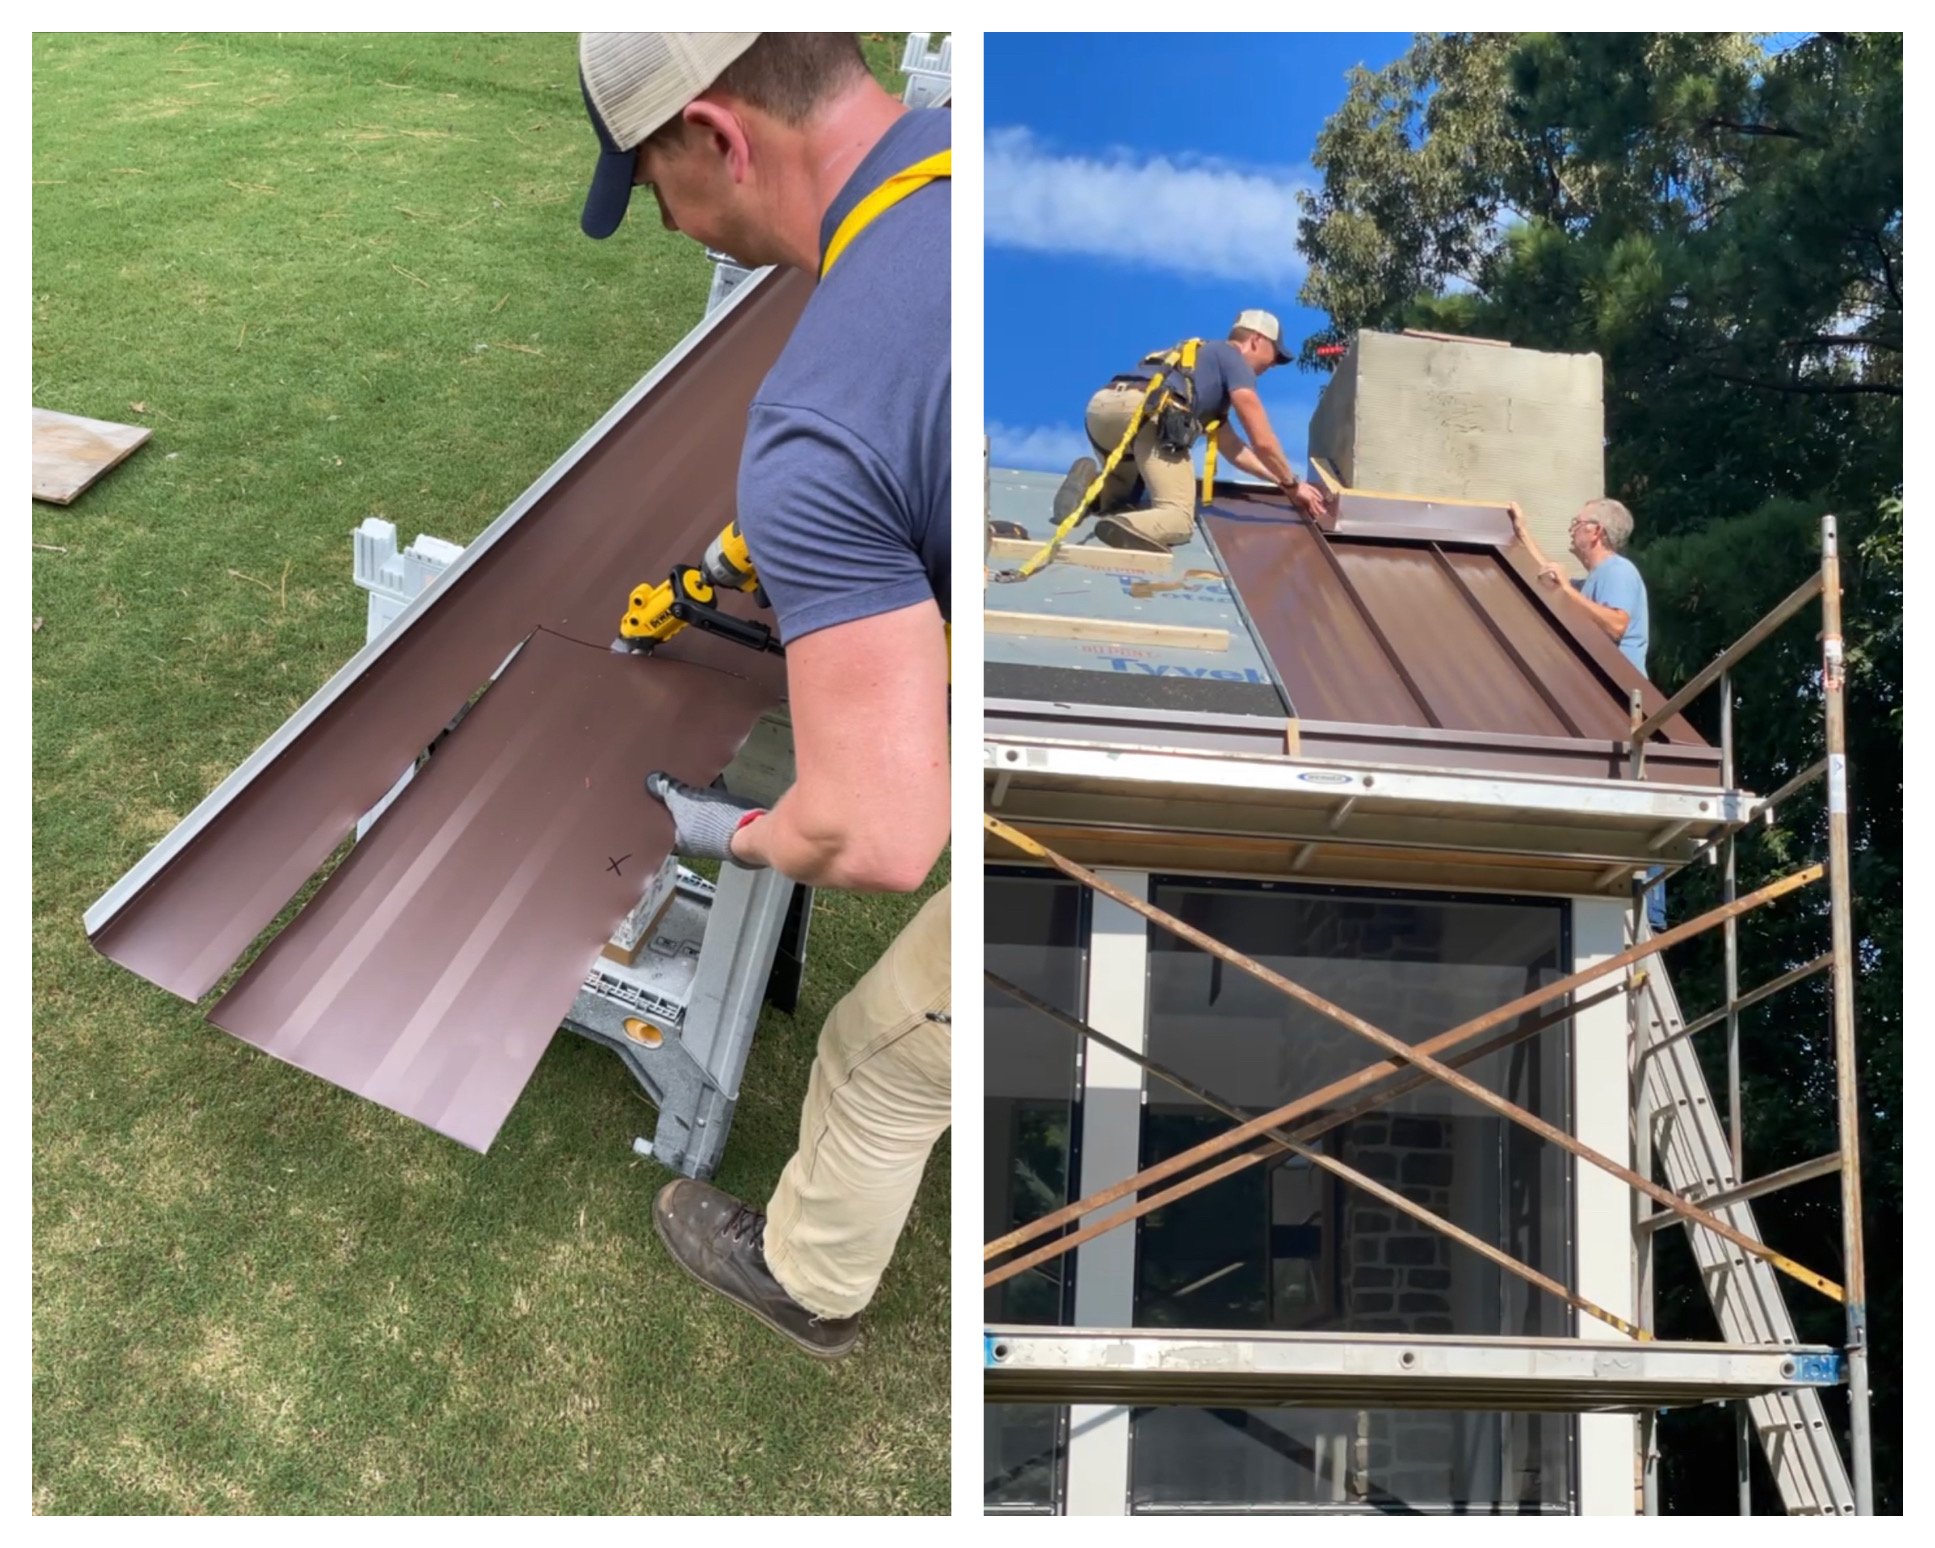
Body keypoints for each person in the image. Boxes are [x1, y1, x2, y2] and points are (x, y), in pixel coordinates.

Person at [577, 32, 950, 1360]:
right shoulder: (961, 161)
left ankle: (804, 1281)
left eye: (654, 189)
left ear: (719, 136)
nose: (672, 226)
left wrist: (723, 832)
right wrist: (783, 548)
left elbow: (877, 835)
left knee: (885, 1052)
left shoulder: (815, 423)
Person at [1510, 497, 1665, 930]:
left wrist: (1566, 590)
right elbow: (1553, 581)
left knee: (1636, 794)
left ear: (1596, 531)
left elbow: (1616, 624)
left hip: (1622, 701)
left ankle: (1650, 906)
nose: (1572, 529)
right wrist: (1523, 534)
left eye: (1577, 522)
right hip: (1604, 701)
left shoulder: (1618, 572)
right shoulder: (1596, 580)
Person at [1067, 310, 1327, 552]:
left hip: (1104, 407)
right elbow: (1263, 442)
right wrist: (1293, 484)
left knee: (1121, 498)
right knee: (1179, 518)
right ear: (1256, 340)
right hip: (1149, 414)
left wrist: (1278, 481)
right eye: (1275, 355)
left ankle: (1089, 488)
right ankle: (1128, 525)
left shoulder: (1199, 362)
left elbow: (1234, 449)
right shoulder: (1233, 358)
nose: (1272, 365)